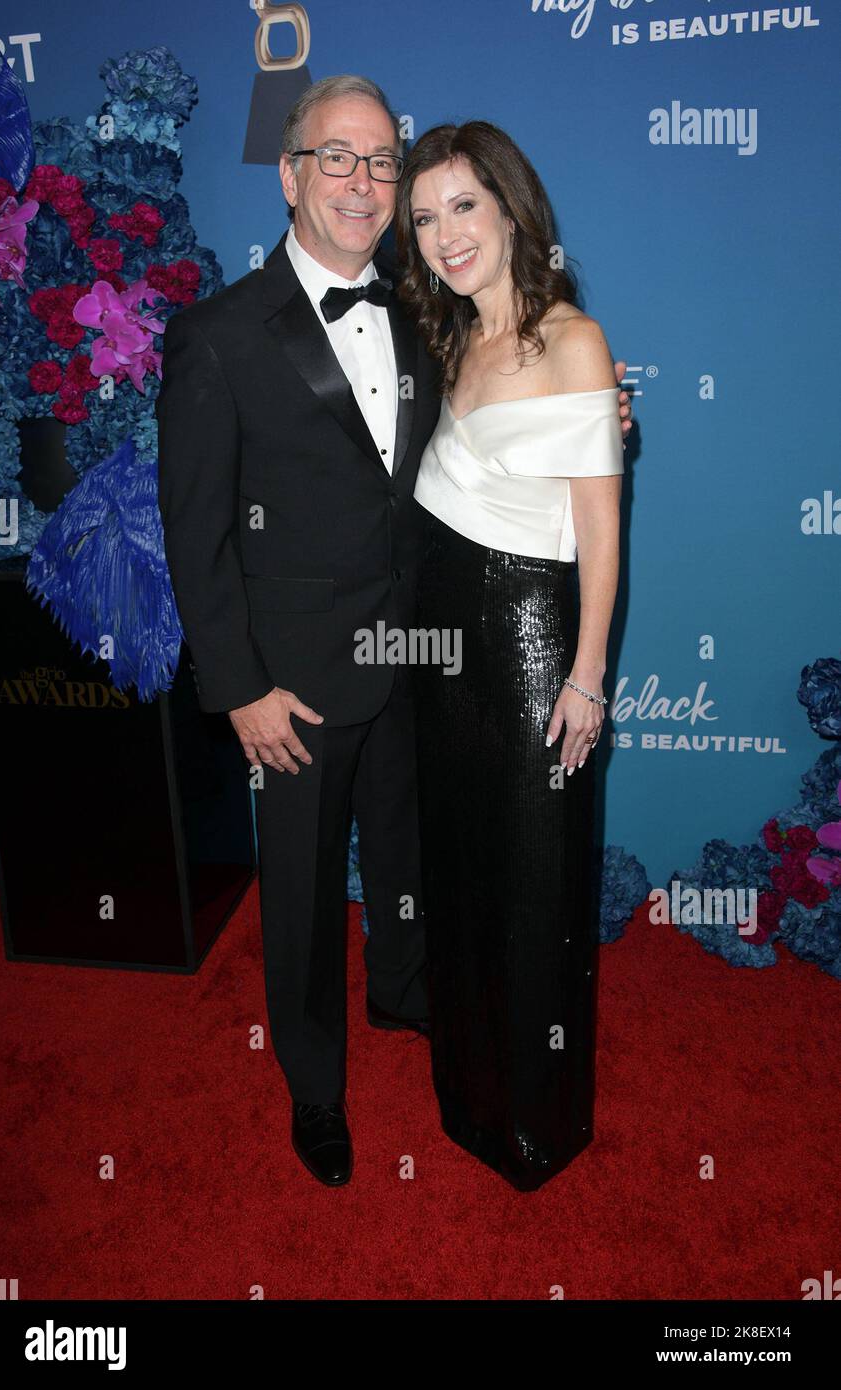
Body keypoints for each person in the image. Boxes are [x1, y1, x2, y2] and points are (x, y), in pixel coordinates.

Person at [156, 77, 632, 1188]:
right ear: (289, 174)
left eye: (382, 164)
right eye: (339, 158)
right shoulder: (216, 336)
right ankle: (315, 1091)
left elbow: (517, 414)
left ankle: (409, 996)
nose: (365, 183)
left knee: (419, 862)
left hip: (427, 664)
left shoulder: (427, 320)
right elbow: (196, 534)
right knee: (307, 898)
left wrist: (598, 413)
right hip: (297, 687)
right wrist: (238, 687)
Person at [394, 121, 625, 1191]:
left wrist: (585, 677)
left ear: (508, 208)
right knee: (463, 872)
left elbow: (599, 539)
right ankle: (469, 1092)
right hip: (445, 651)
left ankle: (534, 1117)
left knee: (532, 885)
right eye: (428, 215)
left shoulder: (571, 340)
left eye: (464, 207)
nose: (446, 234)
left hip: (533, 644)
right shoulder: (449, 339)